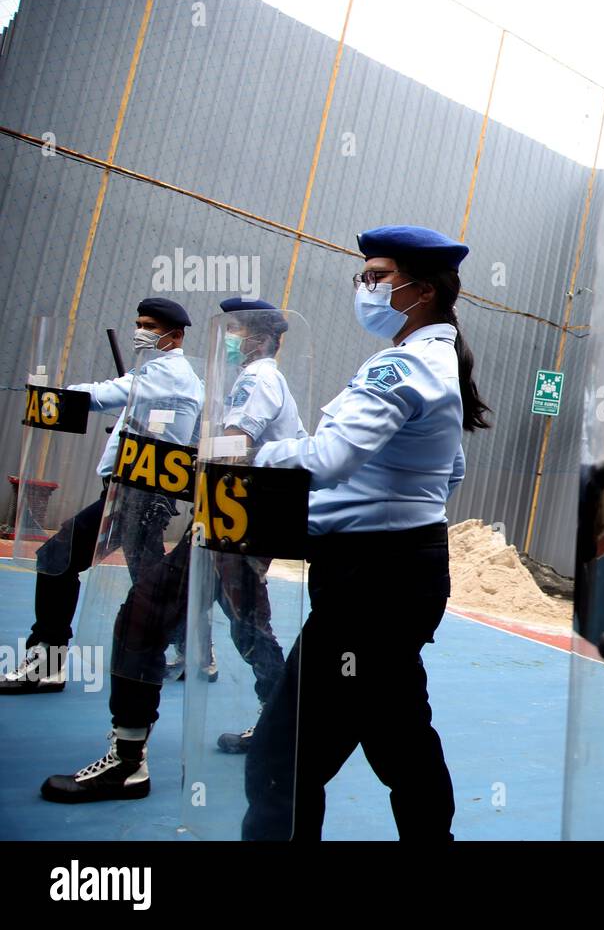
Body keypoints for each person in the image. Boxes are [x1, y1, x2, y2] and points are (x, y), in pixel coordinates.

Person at [241, 225, 491, 841]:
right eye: (365, 277)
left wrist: (241, 460)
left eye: (377, 277)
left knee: (282, 761)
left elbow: (328, 458)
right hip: (397, 573)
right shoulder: (437, 360)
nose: (365, 287)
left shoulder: (406, 363)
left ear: (422, 290)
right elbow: (450, 469)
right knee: (397, 731)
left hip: (369, 586)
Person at [39, 299, 307, 803]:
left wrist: (181, 463)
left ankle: (276, 723)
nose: (228, 339)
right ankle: (130, 756)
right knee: (171, 615)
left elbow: (236, 445)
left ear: (260, 338)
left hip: (242, 522)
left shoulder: (260, 380)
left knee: (241, 622)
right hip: (225, 519)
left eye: (236, 331)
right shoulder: (249, 380)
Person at [1, 298, 203, 695]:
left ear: (175, 335)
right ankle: (193, 648)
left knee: (58, 559)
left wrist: (54, 395)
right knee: (148, 582)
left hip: (138, 497)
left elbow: (99, 395)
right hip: (131, 491)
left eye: (149, 326)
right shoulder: (163, 375)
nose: (140, 331)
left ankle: (47, 662)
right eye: (139, 323)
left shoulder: (169, 373)